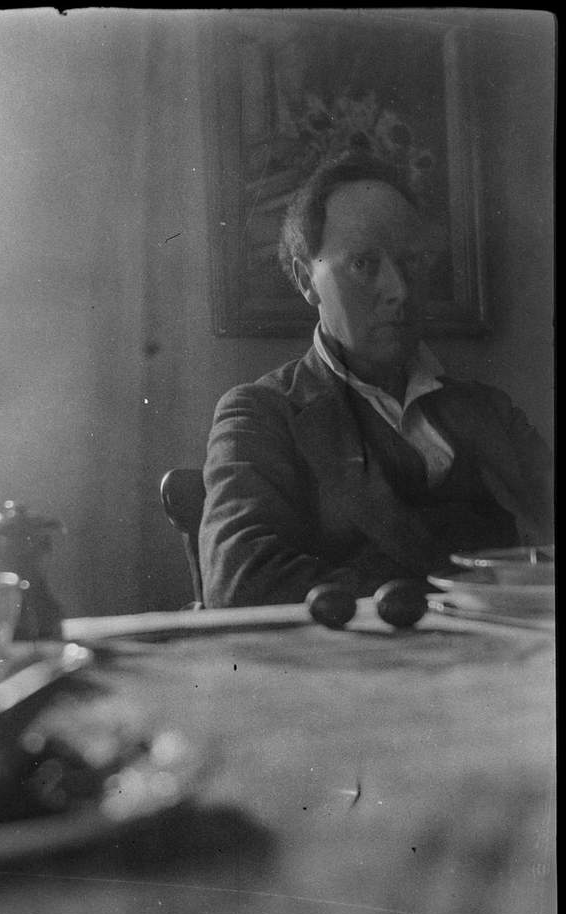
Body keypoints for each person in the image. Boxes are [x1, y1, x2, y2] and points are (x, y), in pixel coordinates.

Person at [198, 149, 553, 608]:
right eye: (363, 264)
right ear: (308, 281)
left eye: (413, 262)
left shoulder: (492, 411)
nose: (400, 292)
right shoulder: (262, 415)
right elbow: (243, 583)